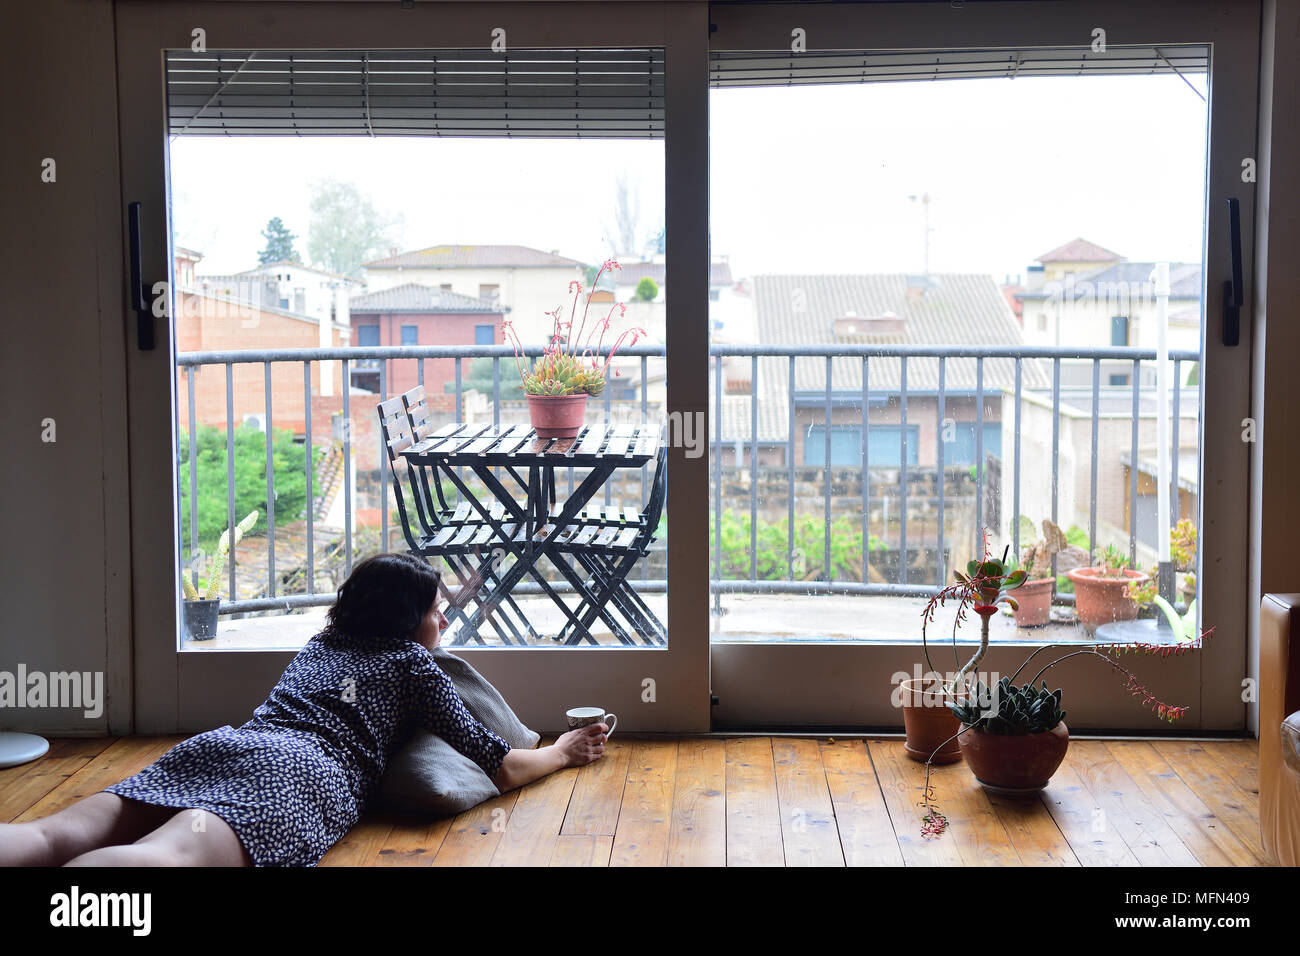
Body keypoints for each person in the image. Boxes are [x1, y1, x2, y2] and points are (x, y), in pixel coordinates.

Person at [0, 552, 609, 867]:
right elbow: (500, 766)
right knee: (163, 859)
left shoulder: (322, 643)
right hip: (296, 776)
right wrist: (559, 750)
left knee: (51, 835)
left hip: (225, 745)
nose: (444, 619)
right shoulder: (413, 664)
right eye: (434, 610)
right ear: (405, 621)